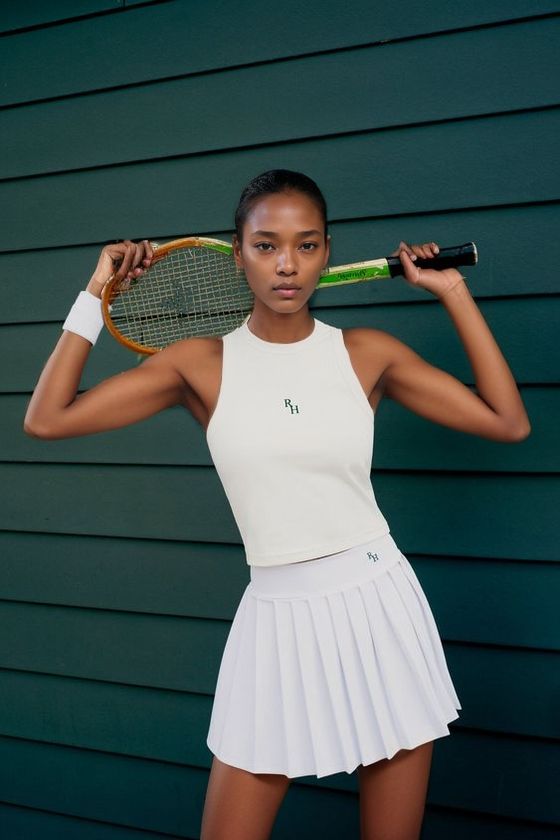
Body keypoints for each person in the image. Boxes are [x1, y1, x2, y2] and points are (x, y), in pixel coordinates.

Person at [24, 169, 530, 840]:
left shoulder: (366, 353)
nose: (287, 265)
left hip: (378, 605)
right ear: (237, 254)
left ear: (326, 251)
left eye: (307, 245)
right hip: (276, 619)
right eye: (266, 246)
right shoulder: (197, 364)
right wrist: (96, 290)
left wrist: (452, 290)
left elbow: (508, 422)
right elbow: (47, 418)